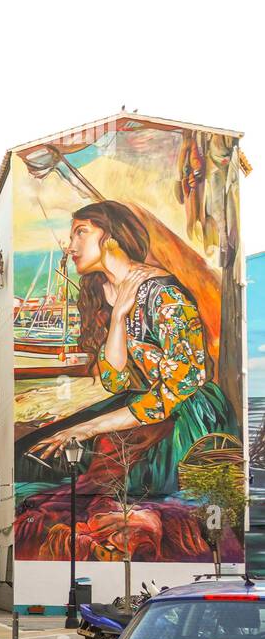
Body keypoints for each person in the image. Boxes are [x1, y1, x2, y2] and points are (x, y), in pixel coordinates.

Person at [26, 201, 237, 497]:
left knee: (89, 472)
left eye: (81, 232)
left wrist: (88, 428)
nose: (70, 246)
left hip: (186, 415)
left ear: (111, 237)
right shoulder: (102, 292)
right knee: (36, 453)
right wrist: (118, 317)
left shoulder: (165, 295)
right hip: (143, 406)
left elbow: (178, 390)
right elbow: (116, 382)